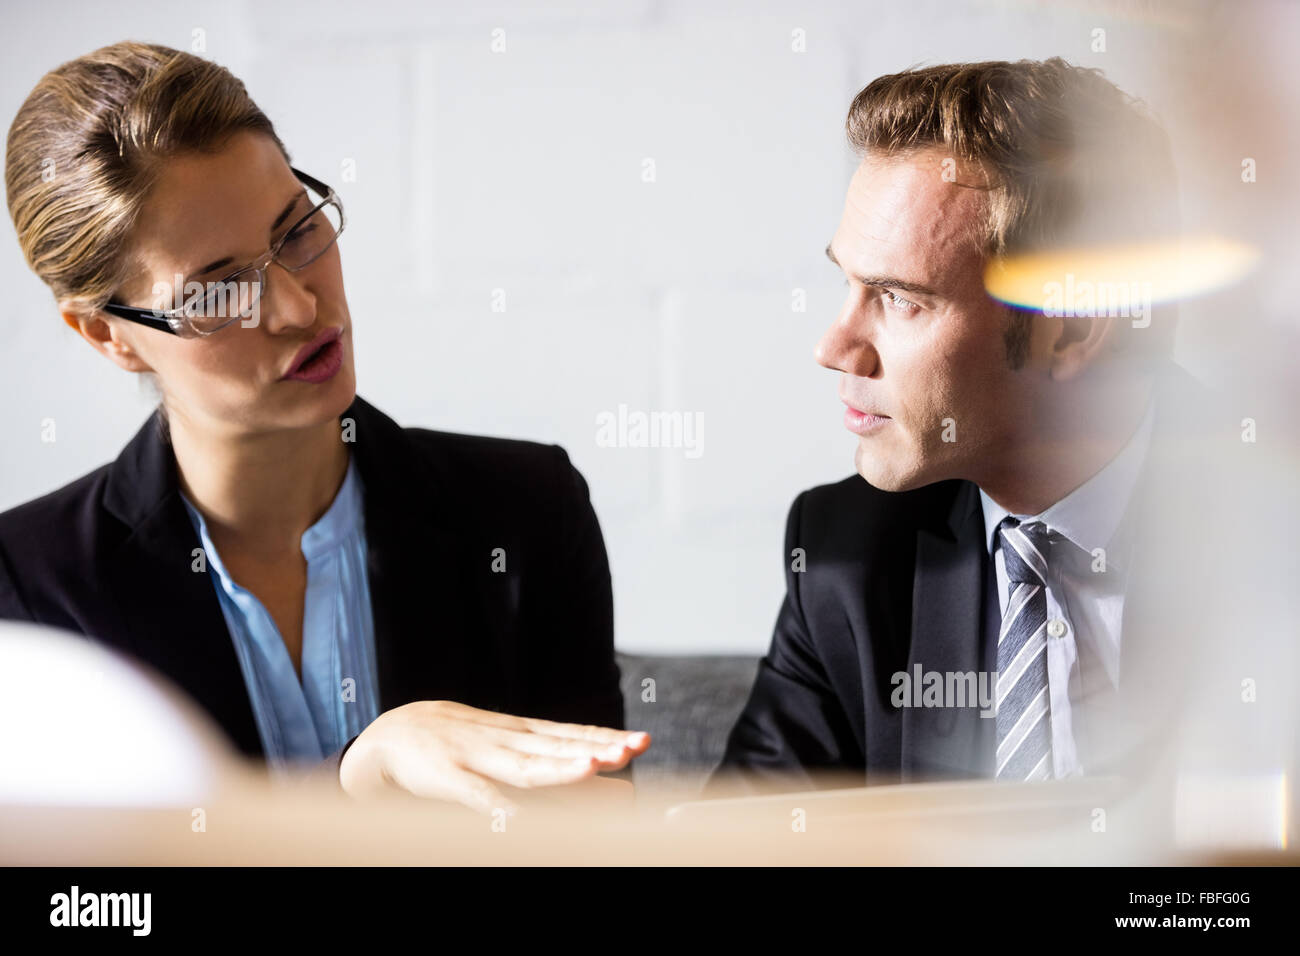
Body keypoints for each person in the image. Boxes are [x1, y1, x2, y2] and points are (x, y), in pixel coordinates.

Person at [0, 41, 648, 813]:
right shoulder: (27, 594)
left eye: (298, 230)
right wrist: (361, 780)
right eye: (219, 291)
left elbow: (594, 846)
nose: (299, 309)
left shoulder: (529, 512)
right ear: (106, 335)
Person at [712, 58, 1260, 793]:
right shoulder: (845, 556)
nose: (833, 347)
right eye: (847, 282)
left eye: (899, 298)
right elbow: (745, 840)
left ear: (1067, 330)